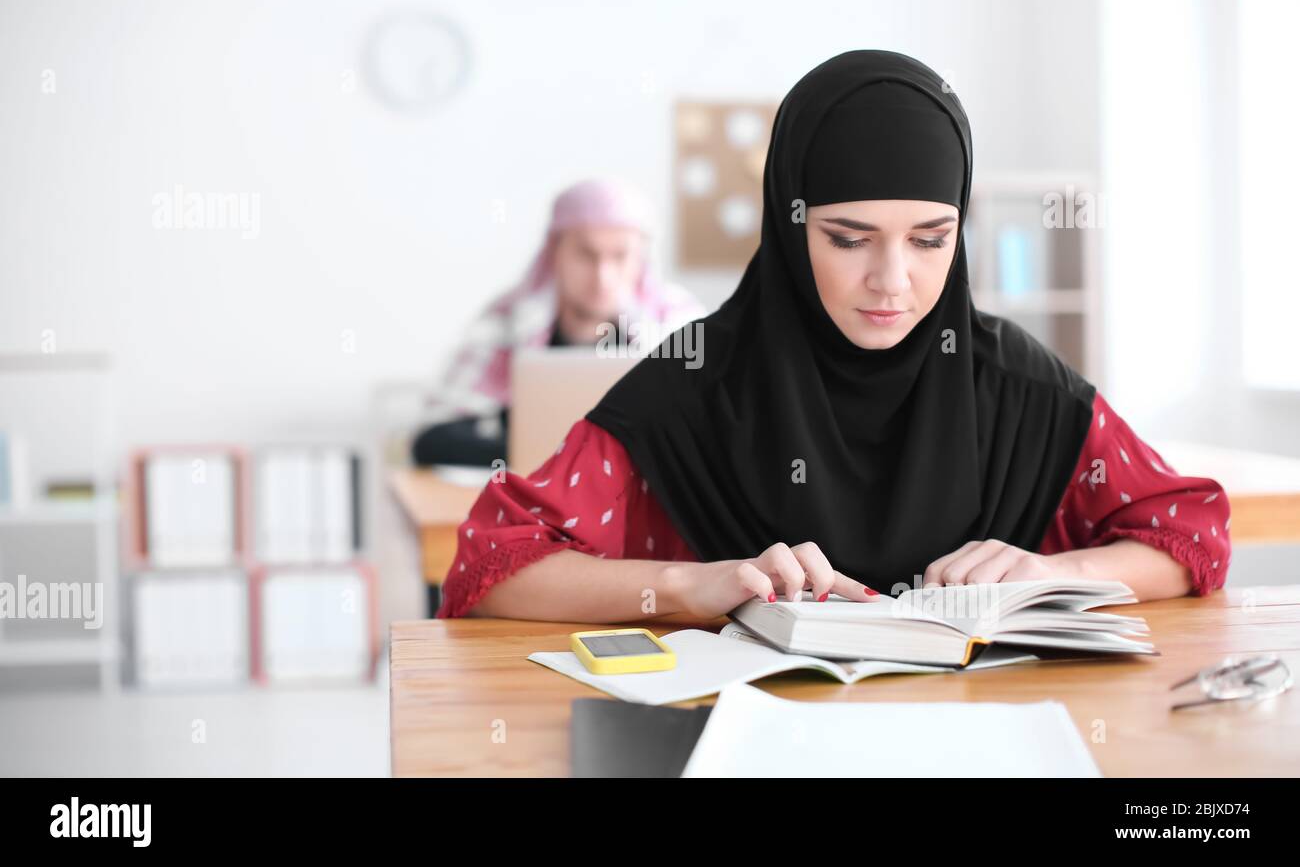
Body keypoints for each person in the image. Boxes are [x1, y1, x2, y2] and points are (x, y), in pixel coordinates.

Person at [435, 50, 1231, 622]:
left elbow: (1188, 534)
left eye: (930, 239)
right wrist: (691, 587)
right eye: (848, 239)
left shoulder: (1020, 385)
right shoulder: (695, 380)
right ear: (789, 225)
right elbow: (493, 566)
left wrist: (1056, 573)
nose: (893, 280)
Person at [410, 177, 705, 467]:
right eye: (586, 254)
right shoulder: (505, 323)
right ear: (555, 251)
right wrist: (548, 458)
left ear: (641, 257)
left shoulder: (678, 325)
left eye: (620, 256)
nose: (603, 275)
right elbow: (432, 440)